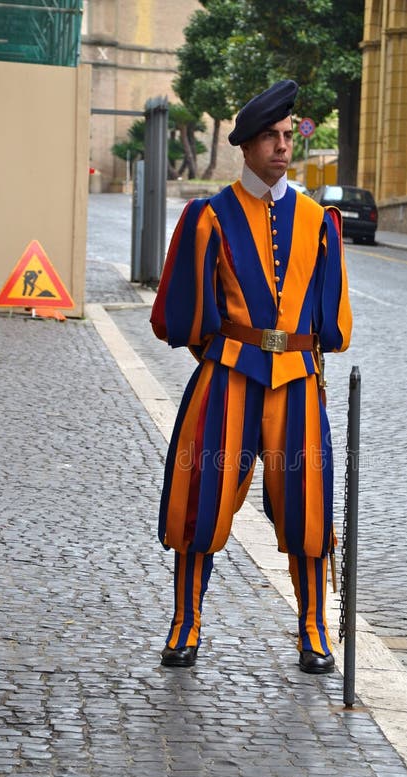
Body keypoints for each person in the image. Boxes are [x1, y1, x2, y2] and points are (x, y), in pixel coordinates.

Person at [150, 79, 352, 674]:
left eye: (288, 136)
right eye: (271, 137)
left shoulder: (319, 221)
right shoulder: (207, 217)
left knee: (308, 505)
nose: (283, 147)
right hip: (228, 379)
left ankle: (313, 629)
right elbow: (181, 314)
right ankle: (186, 624)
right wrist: (224, 356)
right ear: (246, 146)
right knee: (200, 503)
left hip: (296, 382)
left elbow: (332, 321)